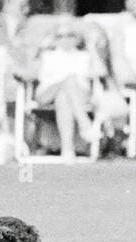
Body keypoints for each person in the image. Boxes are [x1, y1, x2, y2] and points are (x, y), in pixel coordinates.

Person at [35, 18, 100, 160]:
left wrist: (92, 48)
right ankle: (85, 125)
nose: (65, 39)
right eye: (60, 36)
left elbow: (100, 73)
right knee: (68, 81)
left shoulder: (84, 56)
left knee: (64, 97)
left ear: (77, 38)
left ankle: (67, 149)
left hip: (79, 95)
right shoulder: (47, 56)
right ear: (55, 39)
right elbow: (32, 75)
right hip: (48, 93)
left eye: (70, 35)